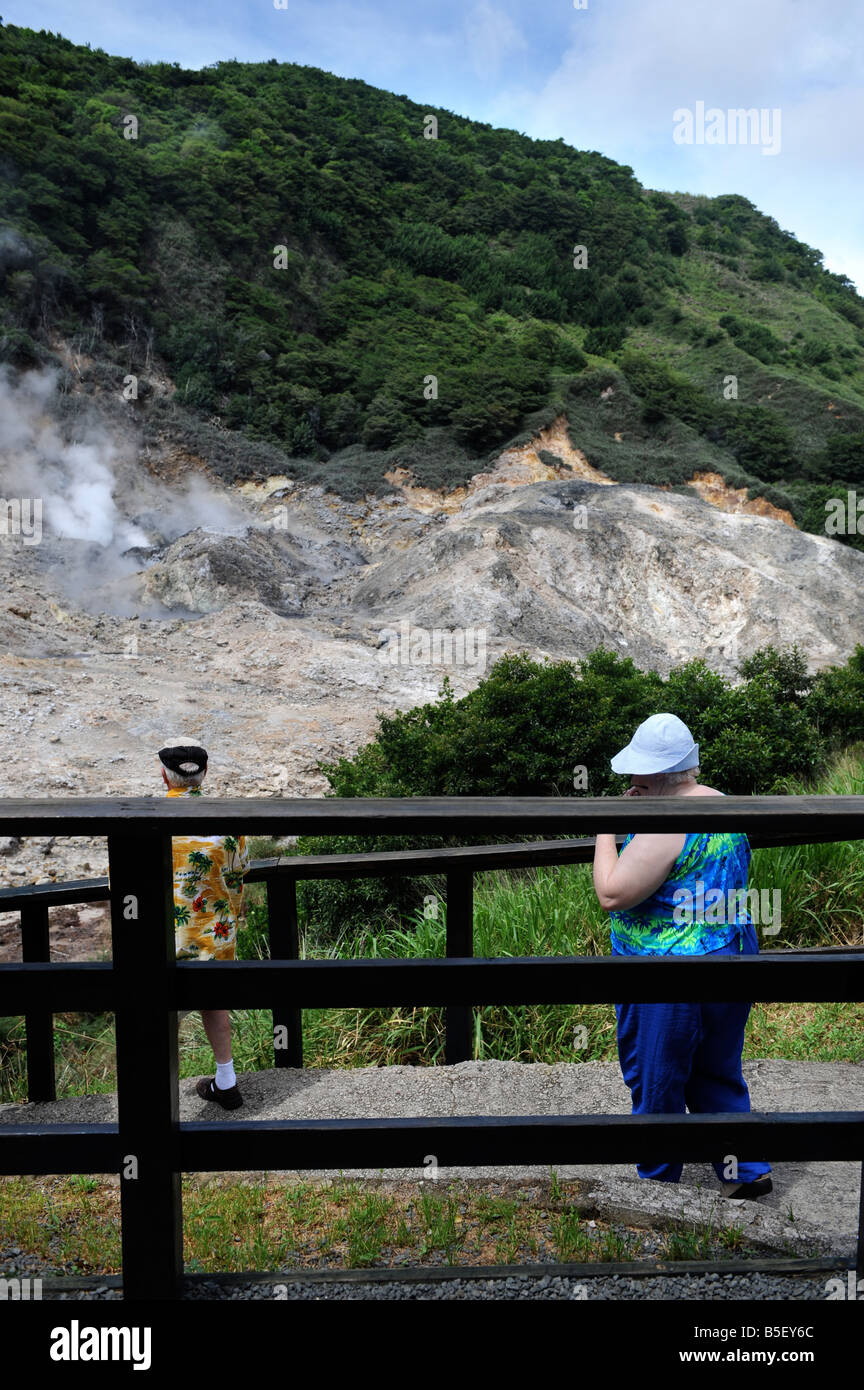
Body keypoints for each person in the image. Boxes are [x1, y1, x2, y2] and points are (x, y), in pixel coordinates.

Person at [592, 712, 772, 1199]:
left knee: (656, 1073)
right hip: (729, 954)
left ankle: (659, 1185)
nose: (630, 782)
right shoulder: (721, 804)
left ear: (655, 776)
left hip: (668, 973)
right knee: (715, 1069)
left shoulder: (664, 825)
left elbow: (611, 892)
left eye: (637, 774)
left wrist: (605, 829)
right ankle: (745, 1170)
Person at [159, 738, 249, 1110]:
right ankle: (226, 1082)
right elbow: (240, 870)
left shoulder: (145, 817)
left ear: (163, 776)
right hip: (216, 933)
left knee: (159, 1014)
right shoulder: (226, 819)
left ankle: (156, 1095)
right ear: (205, 772)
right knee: (215, 1005)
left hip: (166, 939)